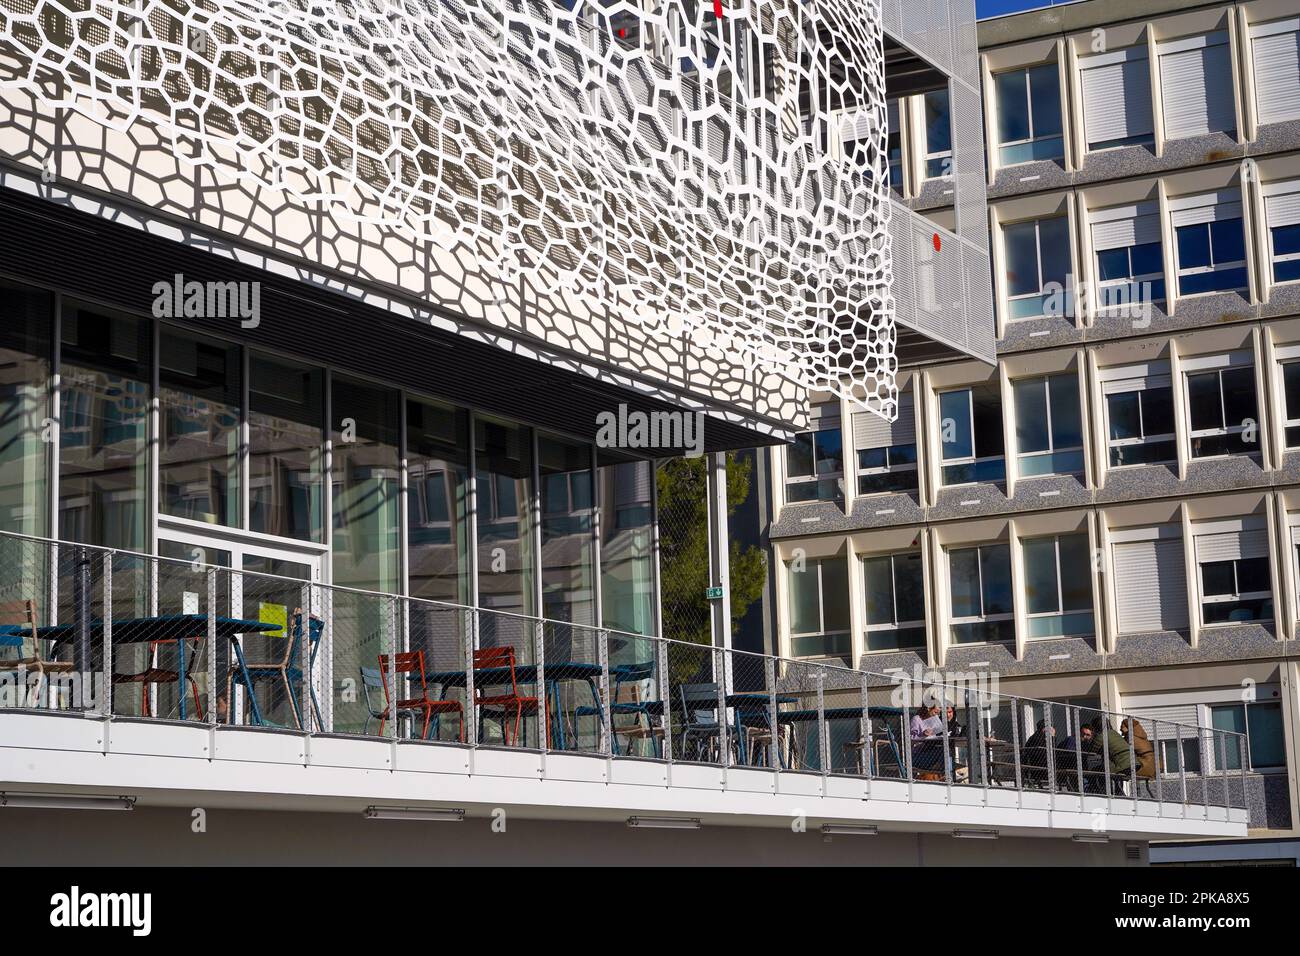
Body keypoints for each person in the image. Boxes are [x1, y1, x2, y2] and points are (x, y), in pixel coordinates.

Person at [1088, 716, 1134, 794]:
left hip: (1120, 764)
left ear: (1096, 727)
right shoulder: (1115, 734)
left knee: (1095, 771)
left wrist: (1092, 738)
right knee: (1114, 770)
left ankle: (1101, 791)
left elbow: (1091, 750)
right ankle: (1118, 792)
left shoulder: (1102, 736)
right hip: (1131, 762)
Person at [1020, 719, 1054, 787]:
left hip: (1036, 764)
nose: (1052, 729)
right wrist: (1052, 737)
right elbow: (1050, 751)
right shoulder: (1038, 738)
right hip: (1039, 766)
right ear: (1044, 729)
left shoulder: (1036, 737)